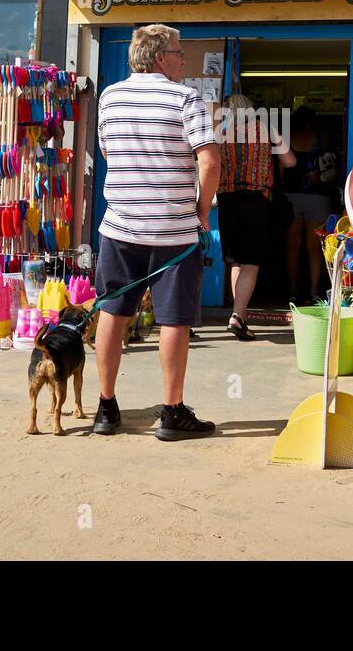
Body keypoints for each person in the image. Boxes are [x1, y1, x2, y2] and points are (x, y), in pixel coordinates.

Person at [93, 24, 222, 441]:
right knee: (174, 320)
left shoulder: (109, 98)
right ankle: (171, 412)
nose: (183, 61)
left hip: (120, 225)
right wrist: (201, 213)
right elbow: (210, 161)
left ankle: (106, 408)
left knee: (114, 311)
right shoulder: (187, 99)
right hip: (173, 230)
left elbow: (111, 153)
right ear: (160, 57)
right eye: (180, 53)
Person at [215, 94, 295, 341]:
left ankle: (240, 315)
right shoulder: (264, 128)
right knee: (251, 262)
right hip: (256, 198)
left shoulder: (220, 132)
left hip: (227, 199)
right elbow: (290, 160)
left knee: (235, 261)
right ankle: (237, 316)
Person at [281, 106, 337, 301]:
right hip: (318, 197)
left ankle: (292, 292)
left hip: (292, 197)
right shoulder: (323, 138)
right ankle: (314, 291)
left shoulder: (287, 139)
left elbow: (281, 171)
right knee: (314, 249)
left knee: (292, 247)